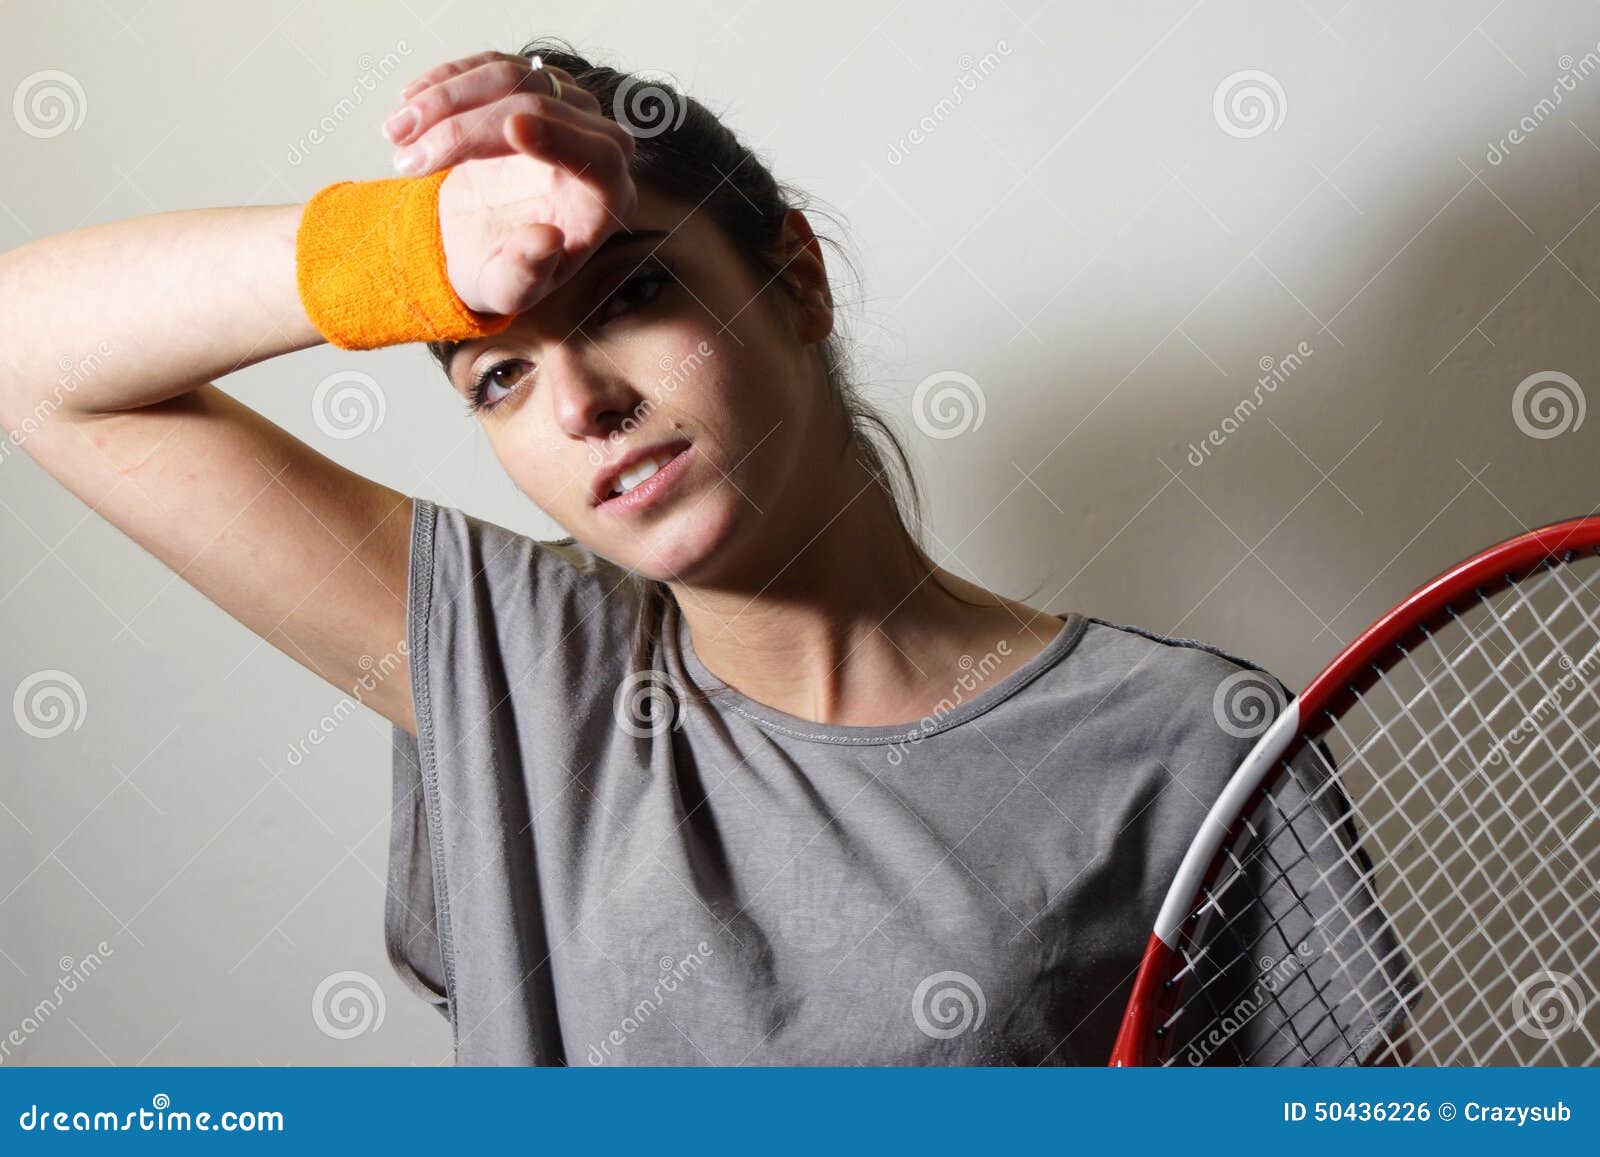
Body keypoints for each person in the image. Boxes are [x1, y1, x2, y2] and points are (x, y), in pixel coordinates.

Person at [0, 38, 1406, 1065]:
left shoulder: (1184, 744)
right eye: (496, 375)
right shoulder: (516, 667)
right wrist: (411, 245)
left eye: (633, 293)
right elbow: (34, 357)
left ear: (792, 275)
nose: (579, 403)